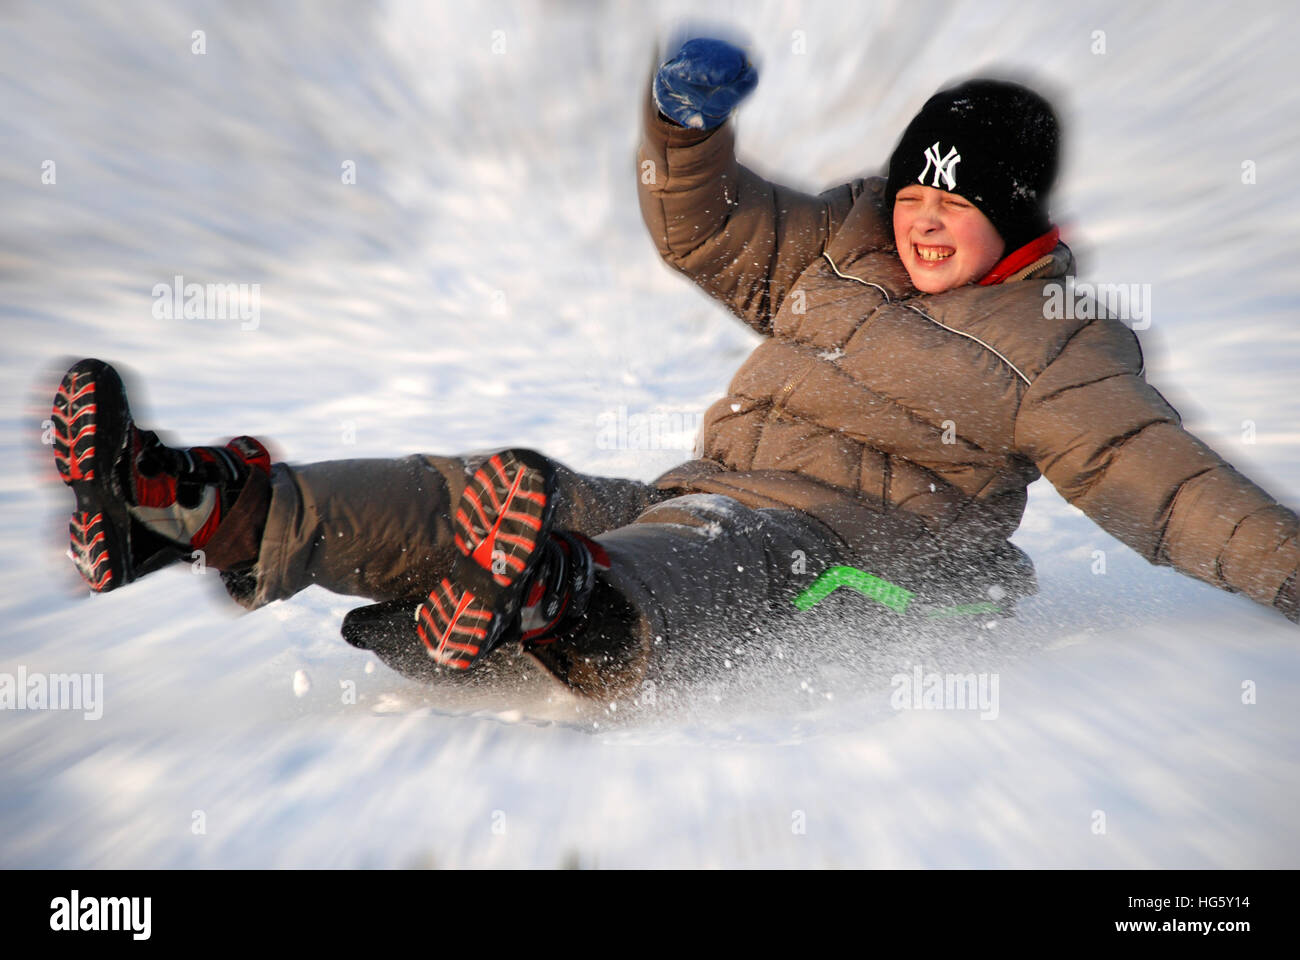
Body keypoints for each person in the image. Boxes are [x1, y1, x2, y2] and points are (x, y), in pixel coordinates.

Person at [51, 37, 1298, 702]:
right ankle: (202, 509)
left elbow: (1172, 490)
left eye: (955, 207)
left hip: (871, 564)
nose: (923, 220)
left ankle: (553, 601)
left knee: (732, 550)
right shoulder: (847, 248)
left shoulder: (1066, 343)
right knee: (497, 480)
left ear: (1016, 218)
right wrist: (685, 132)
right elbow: (699, 228)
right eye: (915, 188)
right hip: (697, 491)